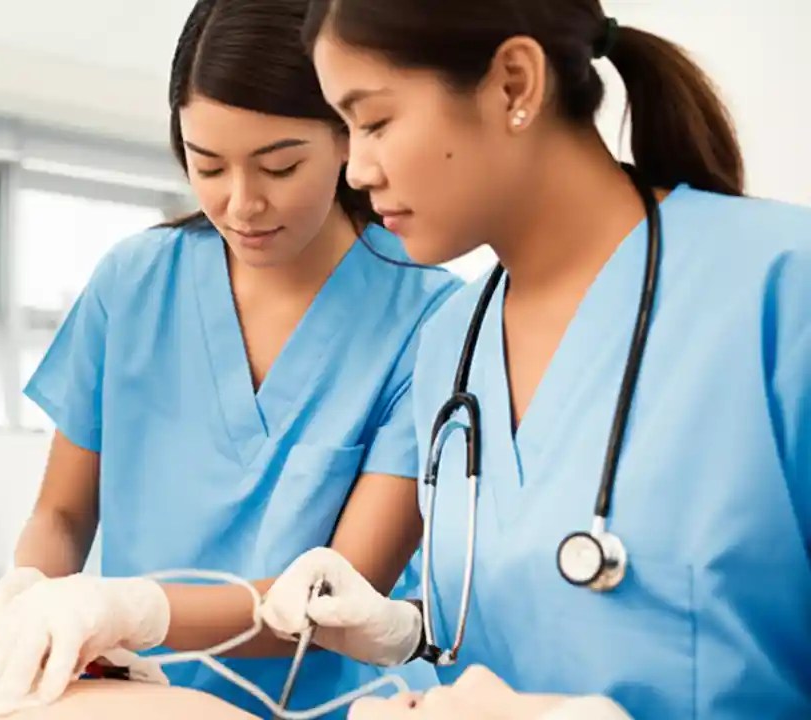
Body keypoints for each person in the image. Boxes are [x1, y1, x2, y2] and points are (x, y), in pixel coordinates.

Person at [255, 0, 811, 718]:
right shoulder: (450, 344)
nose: (355, 169)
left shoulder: (782, 288)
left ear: (515, 84)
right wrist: (408, 631)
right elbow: (530, 622)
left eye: (375, 121)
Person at [0, 0, 458, 716]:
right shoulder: (134, 282)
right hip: (141, 700)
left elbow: (342, 598)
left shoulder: (430, 317)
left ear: (347, 135)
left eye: (279, 165)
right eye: (207, 165)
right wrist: (25, 589)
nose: (241, 203)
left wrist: (136, 608)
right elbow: (61, 513)